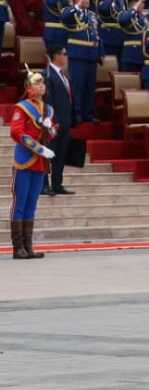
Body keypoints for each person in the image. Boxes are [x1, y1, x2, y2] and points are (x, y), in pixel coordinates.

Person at [10, 70, 55, 259]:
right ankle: (17, 247)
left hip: (39, 163)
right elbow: (16, 132)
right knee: (20, 202)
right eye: (36, 83)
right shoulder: (22, 107)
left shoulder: (48, 109)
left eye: (42, 83)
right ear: (29, 88)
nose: (41, 86)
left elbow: (49, 134)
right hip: (24, 159)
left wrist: (50, 129)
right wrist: (38, 148)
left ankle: (28, 246)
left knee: (31, 203)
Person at [43, 45, 74, 196]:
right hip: (54, 122)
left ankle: (57, 183)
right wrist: (52, 120)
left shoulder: (62, 74)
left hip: (65, 121)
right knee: (49, 154)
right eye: (64, 54)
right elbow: (48, 100)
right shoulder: (47, 74)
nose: (66, 57)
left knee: (61, 155)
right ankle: (44, 184)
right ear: (56, 56)